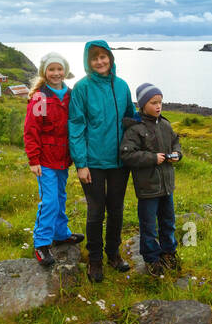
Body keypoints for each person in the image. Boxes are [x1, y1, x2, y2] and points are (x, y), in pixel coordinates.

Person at [68, 40, 137, 282]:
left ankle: (113, 254)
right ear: (88, 62)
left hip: (120, 161)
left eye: (103, 57)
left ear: (110, 58)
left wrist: (154, 117)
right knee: (96, 212)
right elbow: (76, 126)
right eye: (94, 58)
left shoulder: (121, 86)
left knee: (116, 211)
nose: (100, 61)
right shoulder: (82, 88)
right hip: (93, 163)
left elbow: (131, 117)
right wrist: (81, 164)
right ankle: (95, 260)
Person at [22, 52, 84, 265]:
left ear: (65, 71)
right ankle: (41, 243)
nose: (56, 73)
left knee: (60, 197)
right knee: (49, 201)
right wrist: (33, 159)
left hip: (63, 157)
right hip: (45, 160)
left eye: (60, 69)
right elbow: (31, 130)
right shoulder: (40, 97)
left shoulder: (71, 95)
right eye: (51, 69)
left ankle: (60, 234)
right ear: (44, 72)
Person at [118, 83, 182, 278]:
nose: (158, 106)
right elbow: (127, 154)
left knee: (168, 222)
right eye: (153, 102)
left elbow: (176, 141)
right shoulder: (135, 129)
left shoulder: (165, 124)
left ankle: (169, 252)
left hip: (167, 186)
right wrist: (152, 158)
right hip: (147, 188)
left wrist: (177, 154)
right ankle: (151, 259)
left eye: (160, 102)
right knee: (148, 226)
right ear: (143, 105)